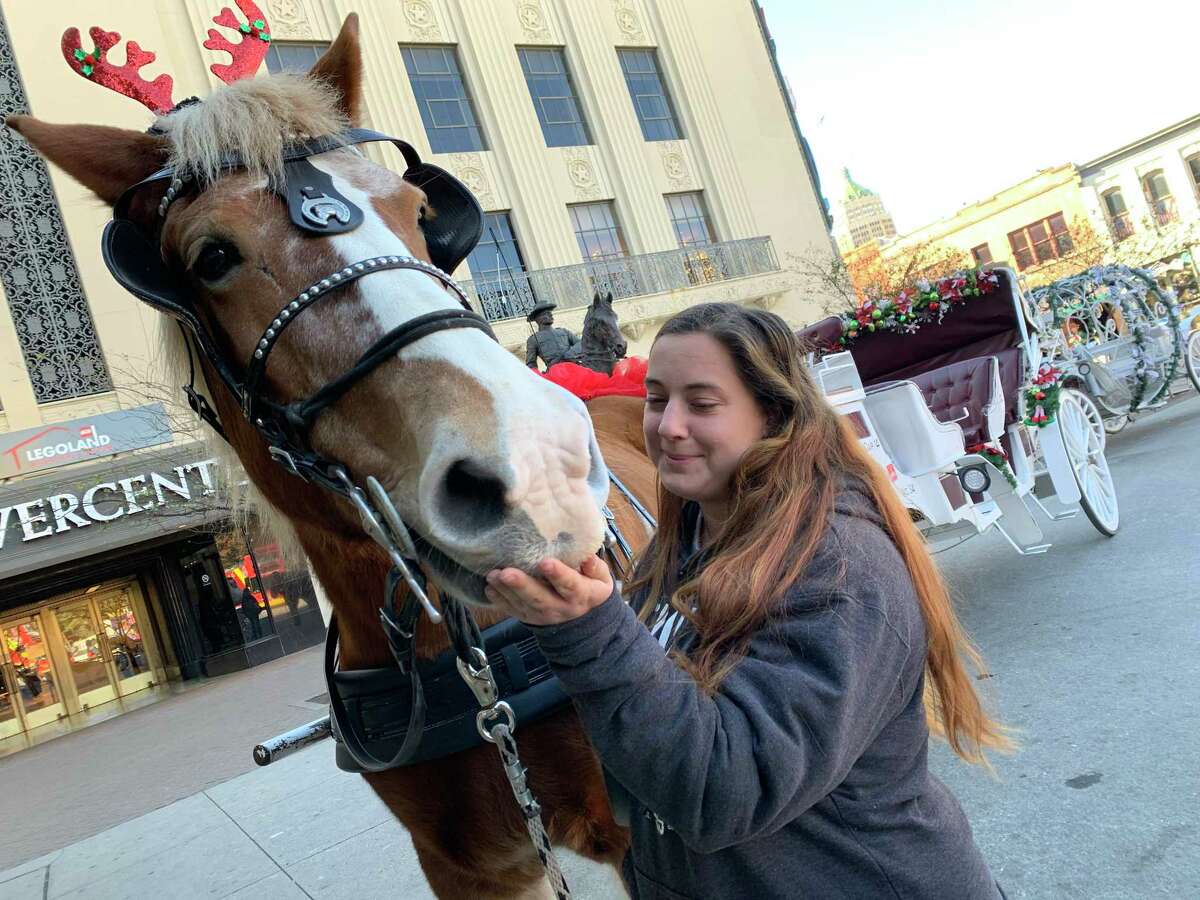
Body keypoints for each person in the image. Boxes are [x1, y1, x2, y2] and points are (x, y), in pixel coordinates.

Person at [485, 302, 1010, 899]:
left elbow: (726, 791)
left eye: (702, 404)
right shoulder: (691, 534)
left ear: (774, 414)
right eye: (657, 398)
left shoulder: (838, 566)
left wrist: (588, 631)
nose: (668, 425)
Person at [524, 301, 579, 371]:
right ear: (538, 319)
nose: (551, 315)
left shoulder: (563, 331)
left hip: (574, 367)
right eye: (546, 313)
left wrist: (570, 353)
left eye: (550, 312)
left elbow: (581, 344)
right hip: (555, 371)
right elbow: (531, 363)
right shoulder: (533, 339)